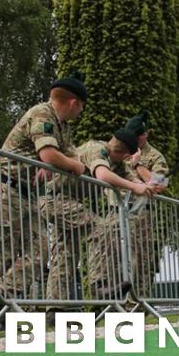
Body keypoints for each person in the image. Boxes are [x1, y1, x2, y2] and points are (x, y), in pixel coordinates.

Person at [0, 73, 87, 299]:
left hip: (28, 196)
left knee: (40, 250)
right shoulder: (42, 113)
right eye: (81, 107)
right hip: (6, 191)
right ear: (74, 102)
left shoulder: (61, 127)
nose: (80, 112)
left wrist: (60, 162)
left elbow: (73, 158)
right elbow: (49, 154)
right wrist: (59, 163)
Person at [61, 128, 149, 300]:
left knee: (64, 255)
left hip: (70, 201)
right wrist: (135, 185)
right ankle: (98, 286)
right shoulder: (97, 149)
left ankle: (54, 310)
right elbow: (102, 174)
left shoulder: (118, 160)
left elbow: (139, 180)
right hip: (56, 198)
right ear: (123, 153)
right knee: (100, 228)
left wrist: (145, 185)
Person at [122, 110, 169, 297]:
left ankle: (136, 306)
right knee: (115, 261)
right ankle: (116, 307)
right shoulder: (121, 150)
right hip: (116, 211)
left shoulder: (155, 157)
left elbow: (159, 184)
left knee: (139, 261)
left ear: (144, 135)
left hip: (140, 213)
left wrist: (138, 165)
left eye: (136, 137)